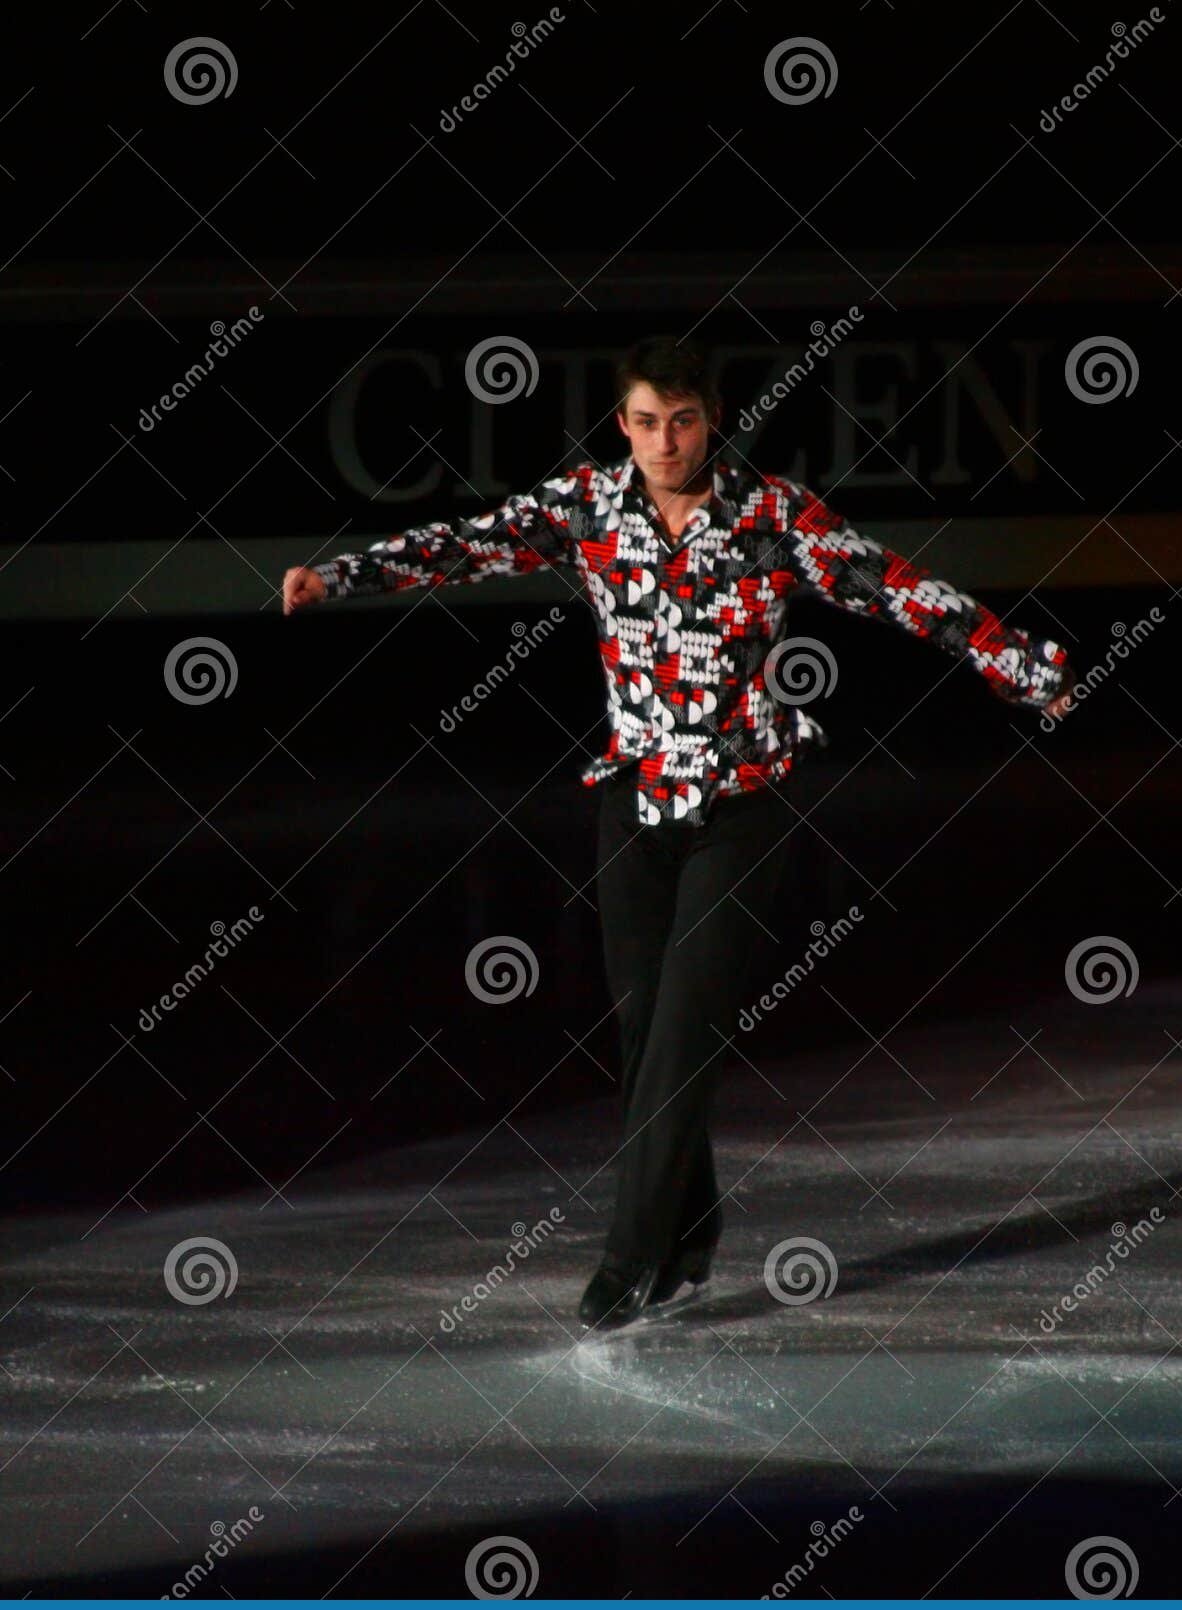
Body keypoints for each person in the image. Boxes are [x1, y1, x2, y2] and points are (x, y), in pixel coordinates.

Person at [283, 334, 1075, 1332]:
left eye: (684, 421)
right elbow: (462, 544)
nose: (666, 442)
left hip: (738, 810)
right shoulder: (586, 507)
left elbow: (900, 589)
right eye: (648, 422)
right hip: (632, 803)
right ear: (623, 423)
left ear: (713, 421)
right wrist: (337, 577)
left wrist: (1024, 668)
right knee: (645, 1037)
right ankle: (690, 1231)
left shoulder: (772, 515)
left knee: (680, 1040)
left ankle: (628, 1258)